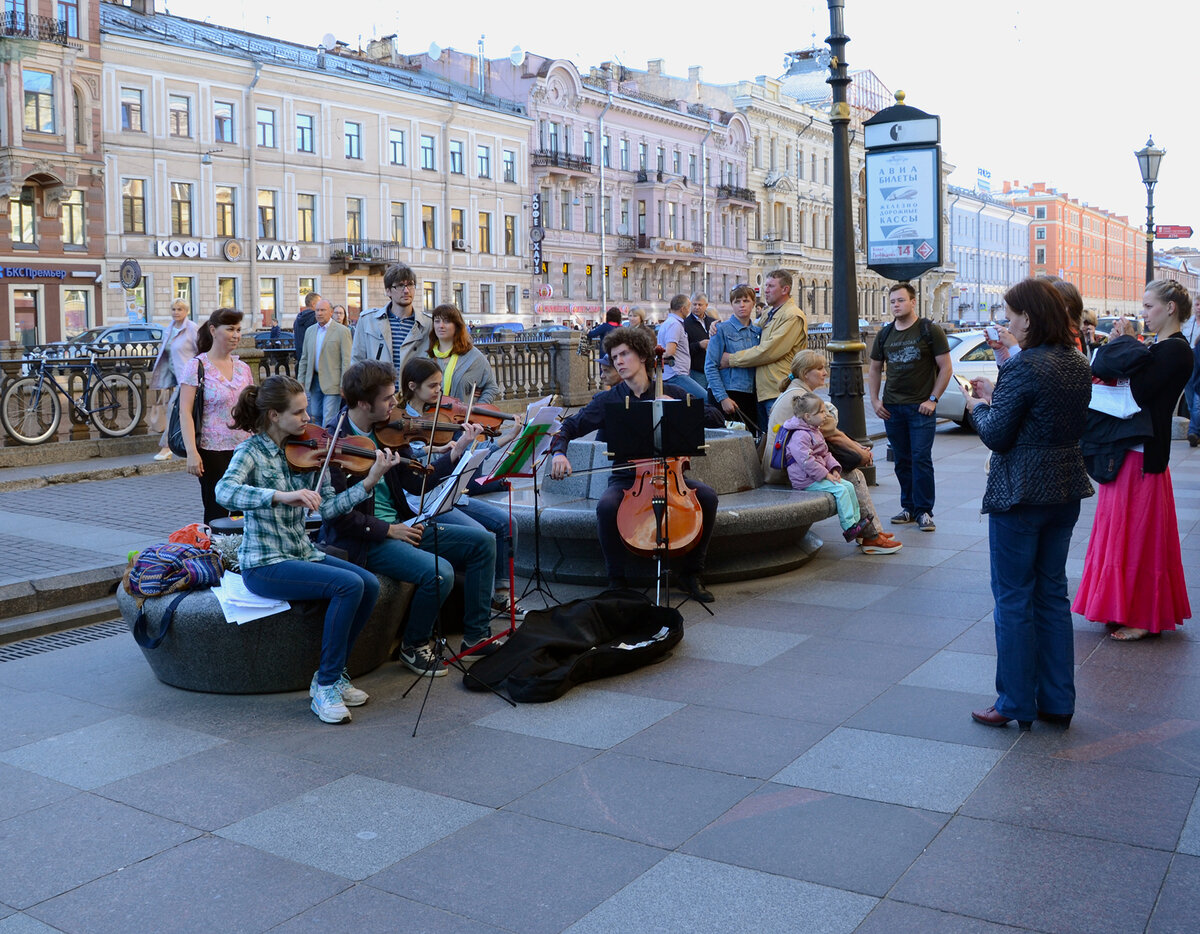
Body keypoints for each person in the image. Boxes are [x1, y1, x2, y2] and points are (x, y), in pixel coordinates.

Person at [215, 375, 398, 724]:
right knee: (349, 585)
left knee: (370, 584)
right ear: (273, 415)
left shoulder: (310, 450)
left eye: (307, 411)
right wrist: (280, 496)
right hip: (265, 563)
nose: (308, 419)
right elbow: (224, 492)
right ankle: (325, 685)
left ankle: (335, 672)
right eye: (298, 413)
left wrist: (370, 480)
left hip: (302, 552)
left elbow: (328, 509)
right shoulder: (250, 452)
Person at [963, 277, 1094, 730]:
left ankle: (1014, 702)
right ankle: (1058, 701)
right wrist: (998, 395)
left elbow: (999, 435)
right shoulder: (1077, 361)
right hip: (1064, 488)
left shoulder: (1027, 365)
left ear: (1030, 318)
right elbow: (1041, 416)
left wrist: (978, 405)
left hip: (1020, 492)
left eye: (1012, 314)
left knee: (1014, 599)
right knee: (1052, 595)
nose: (1008, 321)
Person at [321, 360, 499, 670]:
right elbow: (338, 517)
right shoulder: (336, 443)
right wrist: (388, 531)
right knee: (439, 572)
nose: (395, 402)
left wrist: (455, 455)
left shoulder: (389, 430)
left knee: (483, 542)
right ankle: (414, 645)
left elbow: (417, 483)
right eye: (388, 398)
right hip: (366, 539)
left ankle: (476, 636)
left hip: (403, 525)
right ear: (364, 403)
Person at [549, 326, 721, 602]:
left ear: (642, 356)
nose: (618, 360)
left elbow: (716, 418)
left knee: (709, 498)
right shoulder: (608, 400)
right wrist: (559, 452)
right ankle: (616, 580)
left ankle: (692, 573)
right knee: (607, 506)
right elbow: (569, 426)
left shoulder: (672, 390)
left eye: (624, 353)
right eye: (614, 356)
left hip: (670, 474)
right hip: (627, 478)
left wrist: (677, 407)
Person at [1072, 278, 1193, 641]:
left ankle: (1140, 614)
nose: (1143, 313)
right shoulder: (1161, 347)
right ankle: (1124, 608)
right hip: (1131, 450)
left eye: (1148, 306)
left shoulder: (1175, 350)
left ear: (1170, 307)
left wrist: (1121, 342)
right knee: (1124, 535)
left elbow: (1132, 394)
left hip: (1143, 453)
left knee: (1137, 537)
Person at [400, 356, 523, 617]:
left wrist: (507, 438)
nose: (439, 392)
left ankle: (500, 595)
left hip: (450, 493)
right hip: (427, 499)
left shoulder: (441, 417)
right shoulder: (403, 423)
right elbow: (423, 464)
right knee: (482, 535)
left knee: (505, 522)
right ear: (413, 386)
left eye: (439, 386)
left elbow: (467, 455)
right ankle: (478, 606)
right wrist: (453, 449)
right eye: (433, 386)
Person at [766, 350, 901, 555]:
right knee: (855, 477)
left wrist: (852, 452)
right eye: (819, 369)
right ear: (805, 374)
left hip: (781, 467)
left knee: (849, 477)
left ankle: (868, 532)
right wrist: (861, 452)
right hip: (790, 473)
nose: (825, 373)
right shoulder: (803, 399)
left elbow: (826, 438)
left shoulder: (793, 392)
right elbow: (834, 435)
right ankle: (870, 536)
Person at [867, 282, 953, 532]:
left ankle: (924, 510)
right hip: (892, 408)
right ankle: (908, 507)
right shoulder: (884, 334)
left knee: (921, 459)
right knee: (902, 461)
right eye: (893, 301)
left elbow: (946, 368)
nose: (896, 305)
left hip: (921, 408)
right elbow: (874, 368)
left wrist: (933, 399)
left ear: (913, 302)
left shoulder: (929, 330)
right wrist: (875, 400)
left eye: (901, 300)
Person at [179, 308, 253, 523]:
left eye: (239, 330)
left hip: (243, 449)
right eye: (230, 329)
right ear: (213, 330)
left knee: (244, 511)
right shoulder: (197, 366)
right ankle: (215, 554)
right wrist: (192, 452)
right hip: (212, 450)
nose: (236, 335)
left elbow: (252, 410)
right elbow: (185, 411)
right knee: (217, 511)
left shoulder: (243, 368)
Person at [720, 269, 808, 432]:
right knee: (765, 440)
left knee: (778, 442)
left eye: (770, 286)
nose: (765, 290)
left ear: (785, 289)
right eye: (765, 285)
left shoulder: (792, 315)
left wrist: (731, 359)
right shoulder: (770, 313)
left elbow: (768, 351)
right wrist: (719, 326)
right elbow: (748, 329)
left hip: (778, 389)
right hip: (763, 390)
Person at [781, 395, 874, 543]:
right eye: (822, 412)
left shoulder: (814, 431)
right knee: (841, 490)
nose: (826, 415)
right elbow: (807, 462)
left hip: (816, 476)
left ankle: (857, 523)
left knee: (849, 486)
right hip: (805, 480)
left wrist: (834, 468)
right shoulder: (800, 436)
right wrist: (826, 475)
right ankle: (849, 527)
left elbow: (825, 454)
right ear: (808, 416)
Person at [351, 263, 430, 389]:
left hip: (414, 398)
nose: (406, 290)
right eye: (399, 286)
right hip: (378, 396)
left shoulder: (427, 324)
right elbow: (357, 360)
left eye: (410, 284)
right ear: (388, 291)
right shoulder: (368, 320)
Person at [705, 285, 761, 433]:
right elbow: (710, 366)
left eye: (746, 301)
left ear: (753, 303)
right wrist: (723, 398)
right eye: (737, 301)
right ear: (731, 304)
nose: (741, 305)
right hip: (727, 393)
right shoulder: (721, 329)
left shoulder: (758, 332)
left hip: (750, 395)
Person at [148, 299, 198, 461]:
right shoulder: (169, 329)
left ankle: (166, 447)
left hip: (188, 378)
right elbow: (166, 355)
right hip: (173, 378)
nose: (176, 312)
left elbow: (201, 352)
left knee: (172, 409)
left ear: (187, 311)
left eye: (180, 309)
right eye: (174, 309)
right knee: (185, 412)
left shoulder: (192, 329)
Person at [426, 303, 500, 405]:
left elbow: (491, 388)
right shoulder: (427, 357)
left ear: (457, 326)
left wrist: (477, 410)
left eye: (447, 321)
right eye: (437, 321)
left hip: (463, 418)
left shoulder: (474, 357)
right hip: (431, 416)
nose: (441, 326)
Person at [297, 297, 353, 429]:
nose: (319, 313)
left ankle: (328, 445)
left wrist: (344, 384)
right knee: (314, 415)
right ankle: (318, 444)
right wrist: (301, 380)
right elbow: (304, 357)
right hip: (314, 380)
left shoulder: (342, 331)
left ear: (331, 312)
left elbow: (347, 360)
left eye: (322, 310)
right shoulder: (310, 331)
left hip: (333, 382)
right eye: (317, 310)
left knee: (329, 417)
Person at [656, 294, 707, 399]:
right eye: (689, 307)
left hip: (673, 374)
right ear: (683, 309)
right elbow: (670, 352)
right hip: (676, 374)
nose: (690, 310)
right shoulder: (675, 324)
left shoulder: (668, 323)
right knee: (704, 398)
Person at [684, 293, 718, 388]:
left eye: (700, 305)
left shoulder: (712, 322)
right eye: (694, 304)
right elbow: (683, 349)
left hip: (713, 369)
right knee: (701, 399)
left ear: (706, 306)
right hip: (697, 370)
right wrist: (699, 345)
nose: (697, 307)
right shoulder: (685, 324)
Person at [293, 291, 321, 362]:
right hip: (313, 358)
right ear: (313, 304)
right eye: (319, 303)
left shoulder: (297, 319)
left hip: (301, 357)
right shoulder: (316, 318)